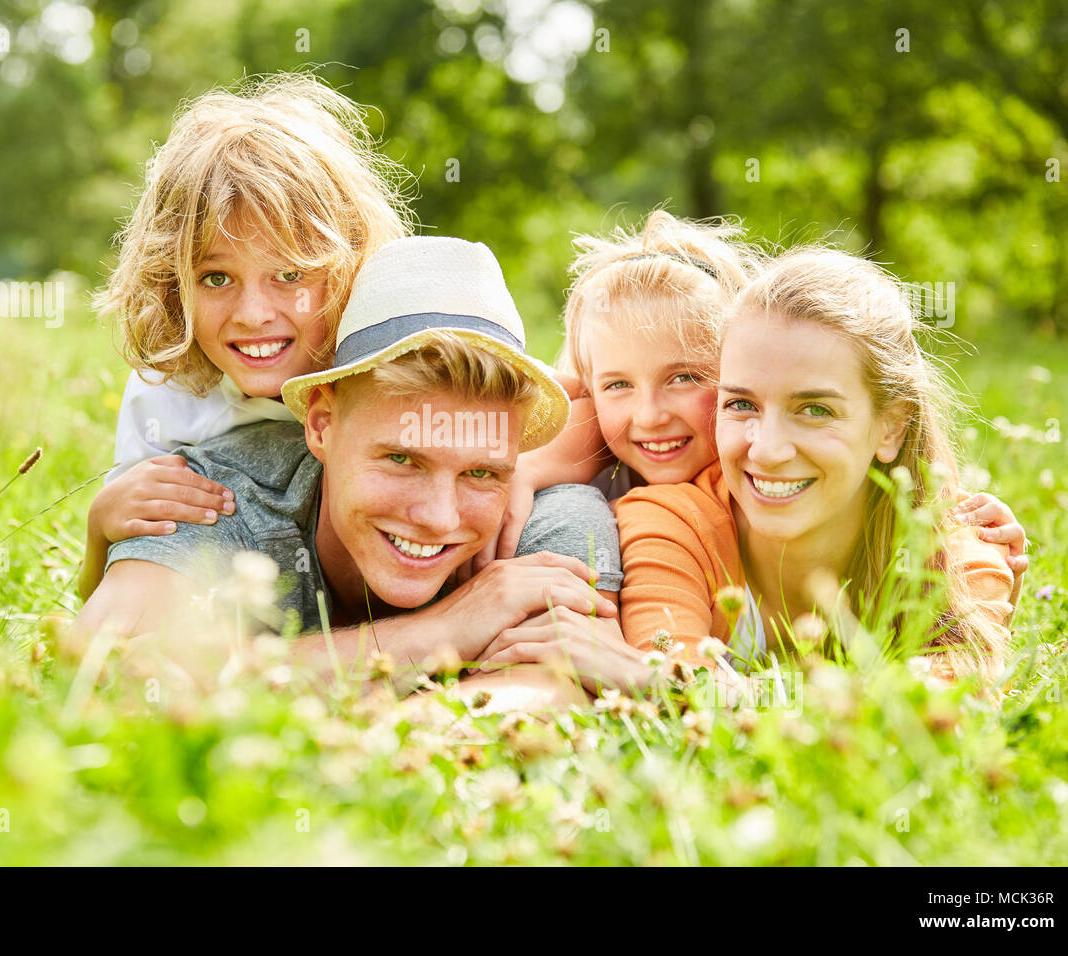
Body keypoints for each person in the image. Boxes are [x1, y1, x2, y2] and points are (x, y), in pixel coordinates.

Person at [73, 236, 626, 706]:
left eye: (482, 474)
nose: (438, 516)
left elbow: (554, 692)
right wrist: (440, 632)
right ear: (320, 426)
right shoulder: (209, 493)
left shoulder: (552, 526)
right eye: (402, 459)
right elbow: (111, 668)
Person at [478, 247, 1019, 690]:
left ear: (890, 428)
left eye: (815, 409)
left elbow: (956, 694)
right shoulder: (664, 519)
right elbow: (674, 672)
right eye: (741, 404)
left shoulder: (957, 539)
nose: (767, 450)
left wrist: (656, 683)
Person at [77, 73, 414, 601]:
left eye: (290, 275)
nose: (253, 315)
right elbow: (118, 590)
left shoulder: (392, 357)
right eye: (216, 278)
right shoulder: (168, 393)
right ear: (174, 282)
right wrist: (101, 527)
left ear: (348, 267)